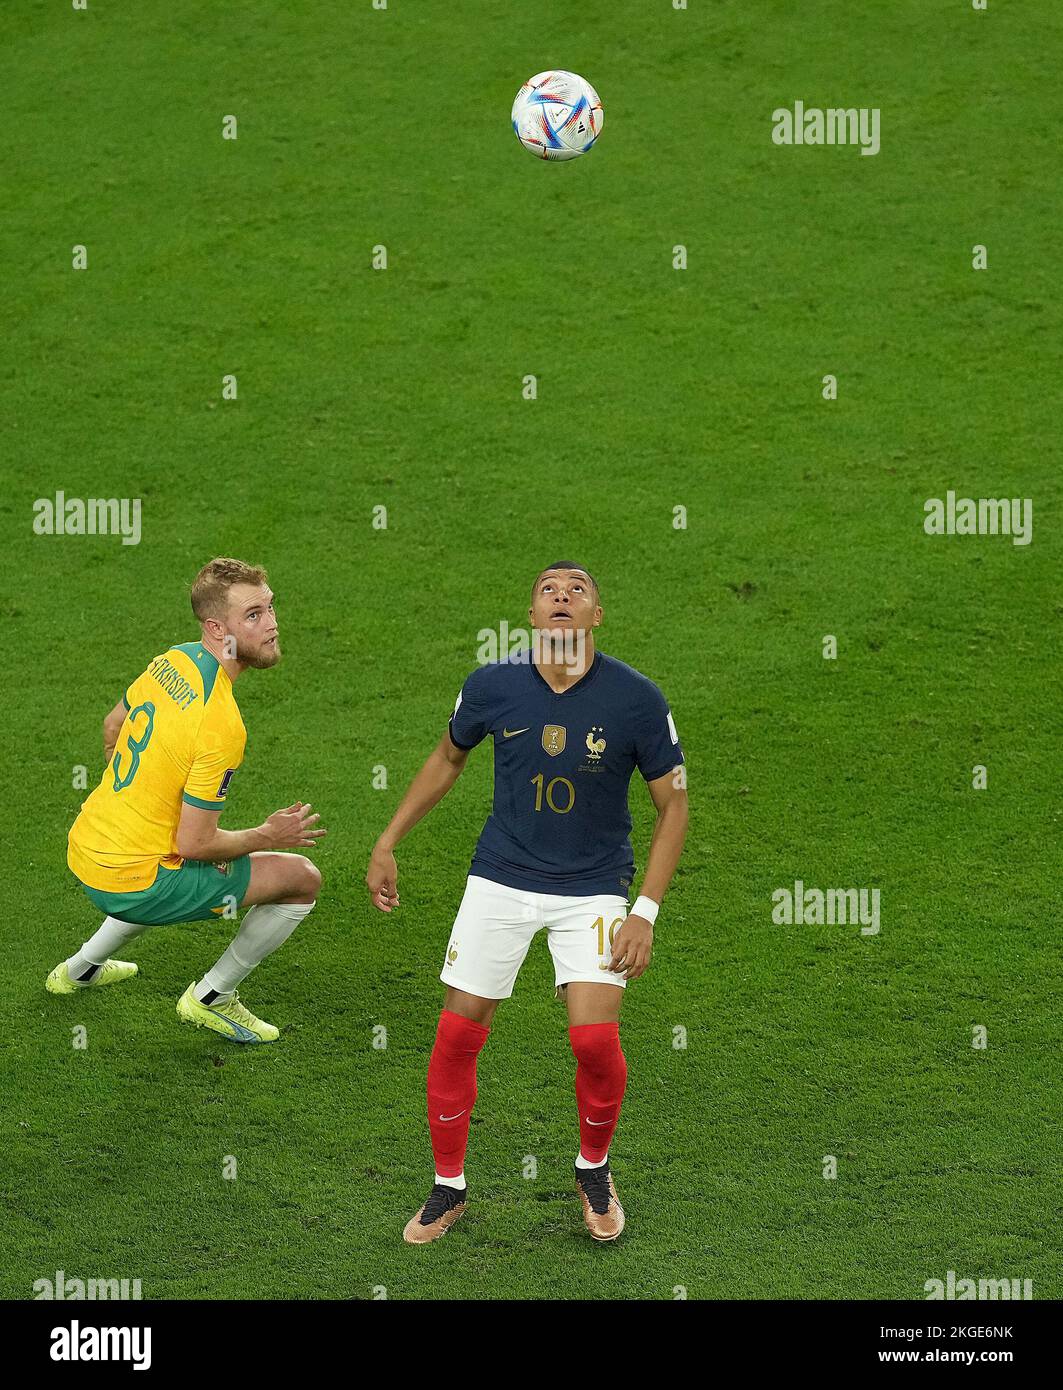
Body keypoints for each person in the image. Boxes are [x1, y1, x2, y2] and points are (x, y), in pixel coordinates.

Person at [366, 562, 687, 1242]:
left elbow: (673, 805)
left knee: (594, 1041)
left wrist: (644, 911)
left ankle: (592, 1170)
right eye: (549, 591)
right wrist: (388, 839)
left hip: (594, 887)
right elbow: (447, 759)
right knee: (456, 1035)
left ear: (596, 614)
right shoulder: (492, 686)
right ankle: (447, 1187)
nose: (562, 597)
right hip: (500, 878)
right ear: (533, 618)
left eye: (577, 590)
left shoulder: (635, 699)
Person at [48, 557, 325, 1044]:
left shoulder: (172, 660)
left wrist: (137, 801)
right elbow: (195, 845)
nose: (273, 624)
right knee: (301, 878)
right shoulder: (220, 725)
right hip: (132, 883)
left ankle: (81, 968)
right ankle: (213, 998)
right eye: (254, 615)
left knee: (181, 855)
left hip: (87, 844)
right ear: (218, 629)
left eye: (270, 607)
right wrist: (265, 835)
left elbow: (113, 726)